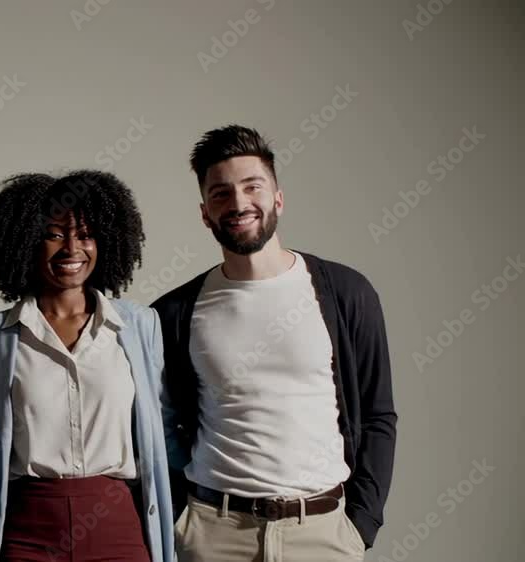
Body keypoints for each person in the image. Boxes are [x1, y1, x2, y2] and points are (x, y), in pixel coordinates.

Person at [152, 124, 397, 561]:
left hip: (322, 533)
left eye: (252, 187)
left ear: (278, 198)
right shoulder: (175, 312)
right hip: (213, 533)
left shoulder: (345, 293)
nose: (238, 203)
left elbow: (378, 415)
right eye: (221, 193)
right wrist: (178, 518)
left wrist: (361, 524)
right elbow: (159, 423)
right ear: (205, 212)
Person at [0, 170, 174, 562]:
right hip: (27, 528)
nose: (72, 249)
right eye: (54, 234)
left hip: (116, 523)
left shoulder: (140, 327)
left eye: (86, 234)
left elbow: (161, 427)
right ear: (25, 241)